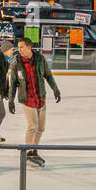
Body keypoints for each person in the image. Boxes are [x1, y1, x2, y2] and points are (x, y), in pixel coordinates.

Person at [8, 37, 61, 167]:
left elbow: (48, 75)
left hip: (40, 98)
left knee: (41, 128)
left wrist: (55, 89)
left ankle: (33, 151)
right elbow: (13, 82)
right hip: (27, 99)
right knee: (33, 126)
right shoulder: (17, 63)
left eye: (21, 47)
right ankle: (27, 152)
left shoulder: (40, 59)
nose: (19, 49)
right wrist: (11, 100)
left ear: (29, 47)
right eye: (18, 47)